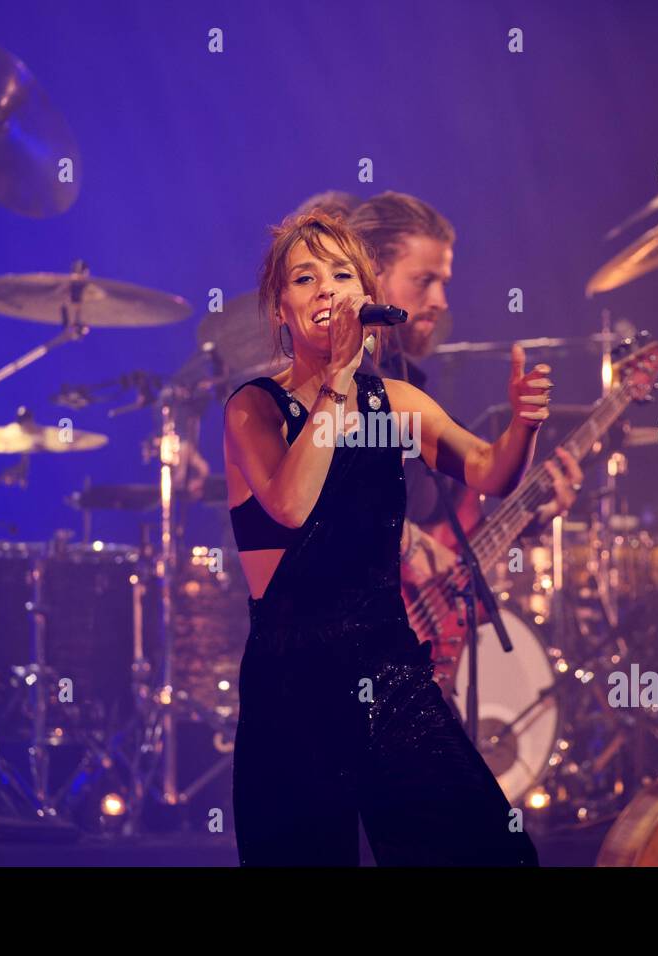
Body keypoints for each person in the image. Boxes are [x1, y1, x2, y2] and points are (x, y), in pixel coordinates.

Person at [223, 211, 550, 866]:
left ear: (364, 295)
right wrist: (338, 382)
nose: (324, 289)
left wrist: (524, 425)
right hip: (293, 687)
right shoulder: (253, 407)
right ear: (280, 309)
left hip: (392, 674)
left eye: (341, 275)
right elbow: (289, 505)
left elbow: (490, 471)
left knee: (492, 852)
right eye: (304, 278)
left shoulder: (396, 403)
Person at [346, 192, 584, 601]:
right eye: (424, 281)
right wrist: (410, 547)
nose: (440, 302)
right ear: (371, 276)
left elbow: (468, 499)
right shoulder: (333, 387)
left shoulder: (408, 387)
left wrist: (532, 508)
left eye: (443, 283)